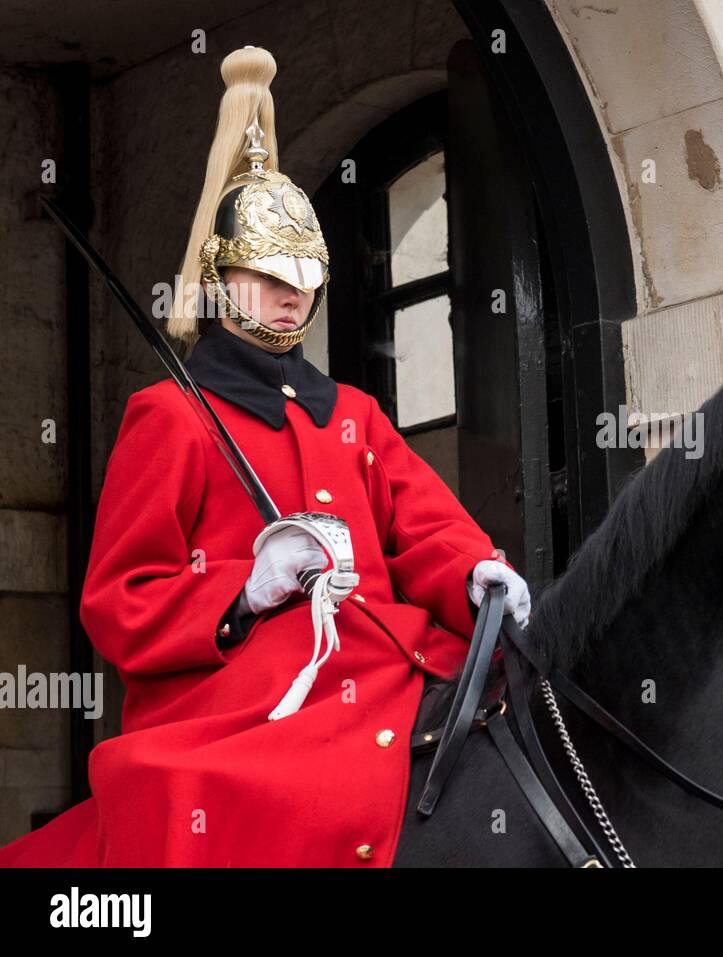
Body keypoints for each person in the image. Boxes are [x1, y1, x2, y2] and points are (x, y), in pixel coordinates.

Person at [0, 45, 529, 867]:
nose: (292, 292)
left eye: (306, 274)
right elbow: (119, 598)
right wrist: (244, 589)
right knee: (180, 783)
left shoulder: (352, 413)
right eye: (270, 271)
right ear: (221, 277)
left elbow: (425, 530)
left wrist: (472, 571)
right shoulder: (170, 417)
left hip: (385, 662)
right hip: (238, 702)